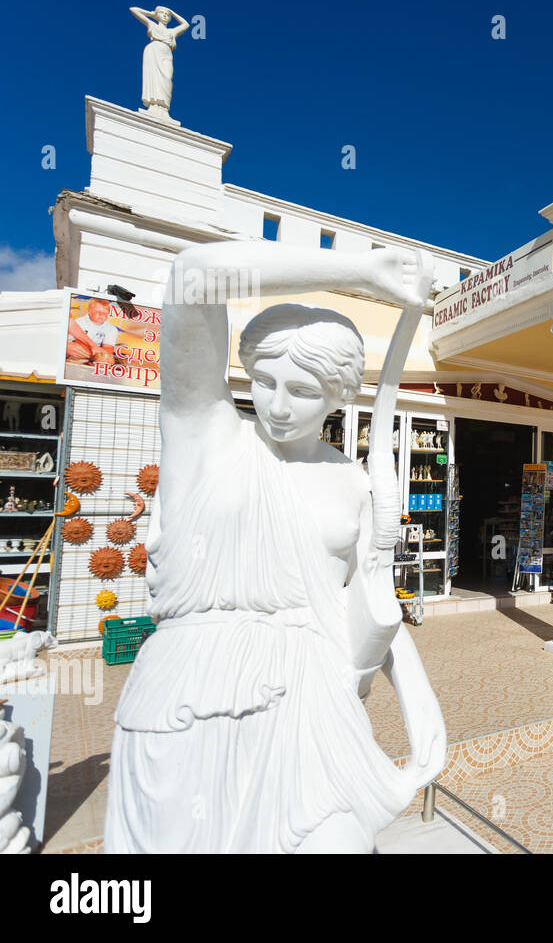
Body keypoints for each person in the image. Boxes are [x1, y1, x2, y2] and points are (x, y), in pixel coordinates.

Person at [105, 241, 446, 853]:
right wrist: (359, 272)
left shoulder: (352, 483)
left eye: (304, 389)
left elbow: (371, 602)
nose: (278, 406)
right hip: (191, 701)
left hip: (313, 703)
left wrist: (423, 720)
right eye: (264, 381)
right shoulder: (205, 437)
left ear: (338, 395)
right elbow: (193, 276)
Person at [130, 6, 190, 117]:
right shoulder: (152, 24)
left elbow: (186, 24)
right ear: (158, 15)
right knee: (153, 77)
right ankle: (154, 105)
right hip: (153, 50)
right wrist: (151, 14)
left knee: (167, 78)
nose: (165, 16)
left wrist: (172, 11)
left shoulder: (172, 32)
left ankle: (164, 107)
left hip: (166, 54)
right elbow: (133, 10)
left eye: (167, 15)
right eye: (162, 13)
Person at [66, 298, 119, 364]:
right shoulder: (79, 322)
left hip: (97, 355)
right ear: (89, 311)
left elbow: (108, 347)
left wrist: (102, 355)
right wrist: (92, 353)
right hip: (79, 353)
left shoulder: (111, 329)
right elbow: (77, 343)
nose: (101, 315)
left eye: (105, 313)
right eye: (97, 311)